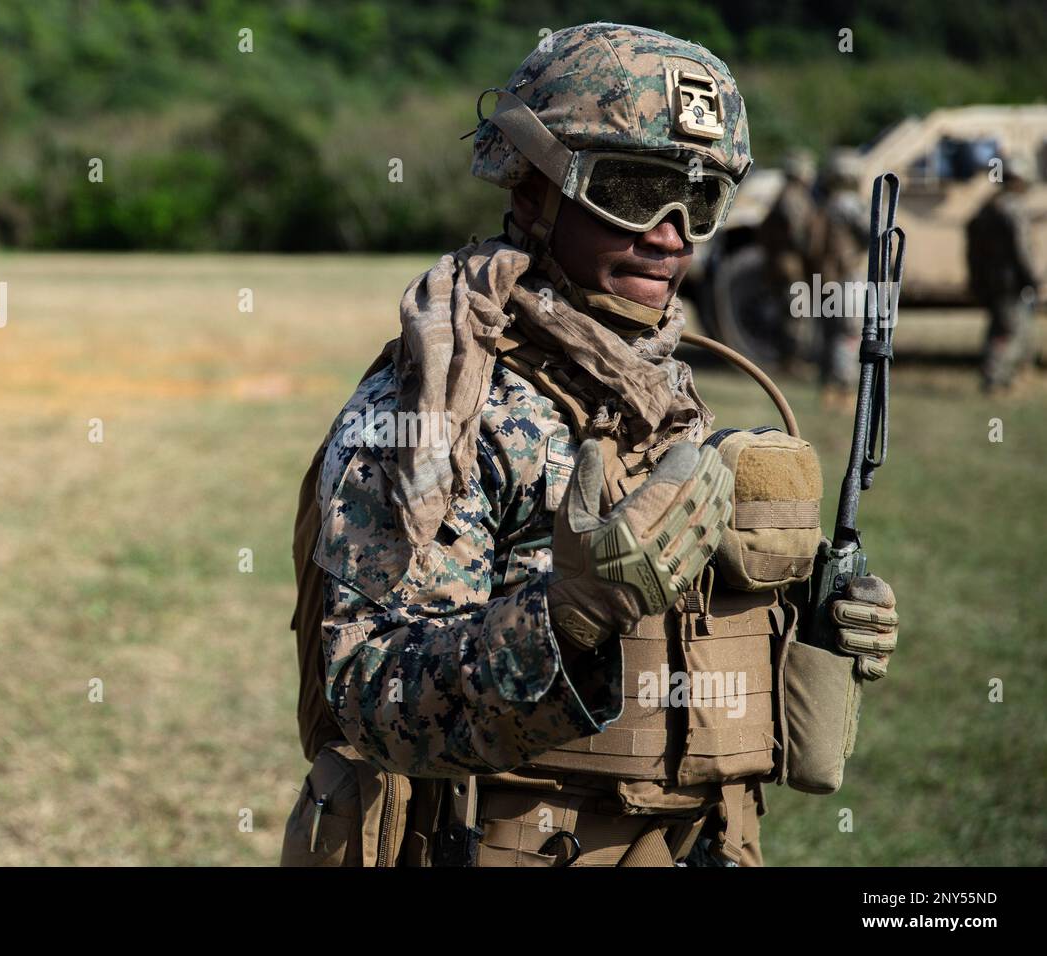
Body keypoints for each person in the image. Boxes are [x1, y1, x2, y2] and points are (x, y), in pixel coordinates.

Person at [283, 22, 900, 868]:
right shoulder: (443, 405)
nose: (672, 233)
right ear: (534, 186)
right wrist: (564, 620)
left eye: (701, 197)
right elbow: (367, 693)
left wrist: (804, 627)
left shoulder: (658, 384)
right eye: (631, 190)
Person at [965, 151, 1042, 393]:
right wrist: (1032, 277)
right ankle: (995, 380)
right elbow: (1022, 249)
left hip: (991, 280)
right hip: (1011, 281)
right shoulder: (1012, 209)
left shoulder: (987, 207)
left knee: (1001, 327)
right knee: (1008, 331)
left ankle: (1004, 377)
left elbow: (972, 246)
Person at [812, 148, 871, 411]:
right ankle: (843, 389)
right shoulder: (848, 203)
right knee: (848, 335)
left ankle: (827, 387)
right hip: (847, 277)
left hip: (824, 277)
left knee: (830, 334)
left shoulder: (824, 203)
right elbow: (872, 233)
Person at [757, 149, 819, 370]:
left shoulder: (790, 194)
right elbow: (798, 233)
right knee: (795, 312)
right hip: (789, 265)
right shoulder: (792, 196)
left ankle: (791, 359)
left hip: (788, 264)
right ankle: (791, 361)